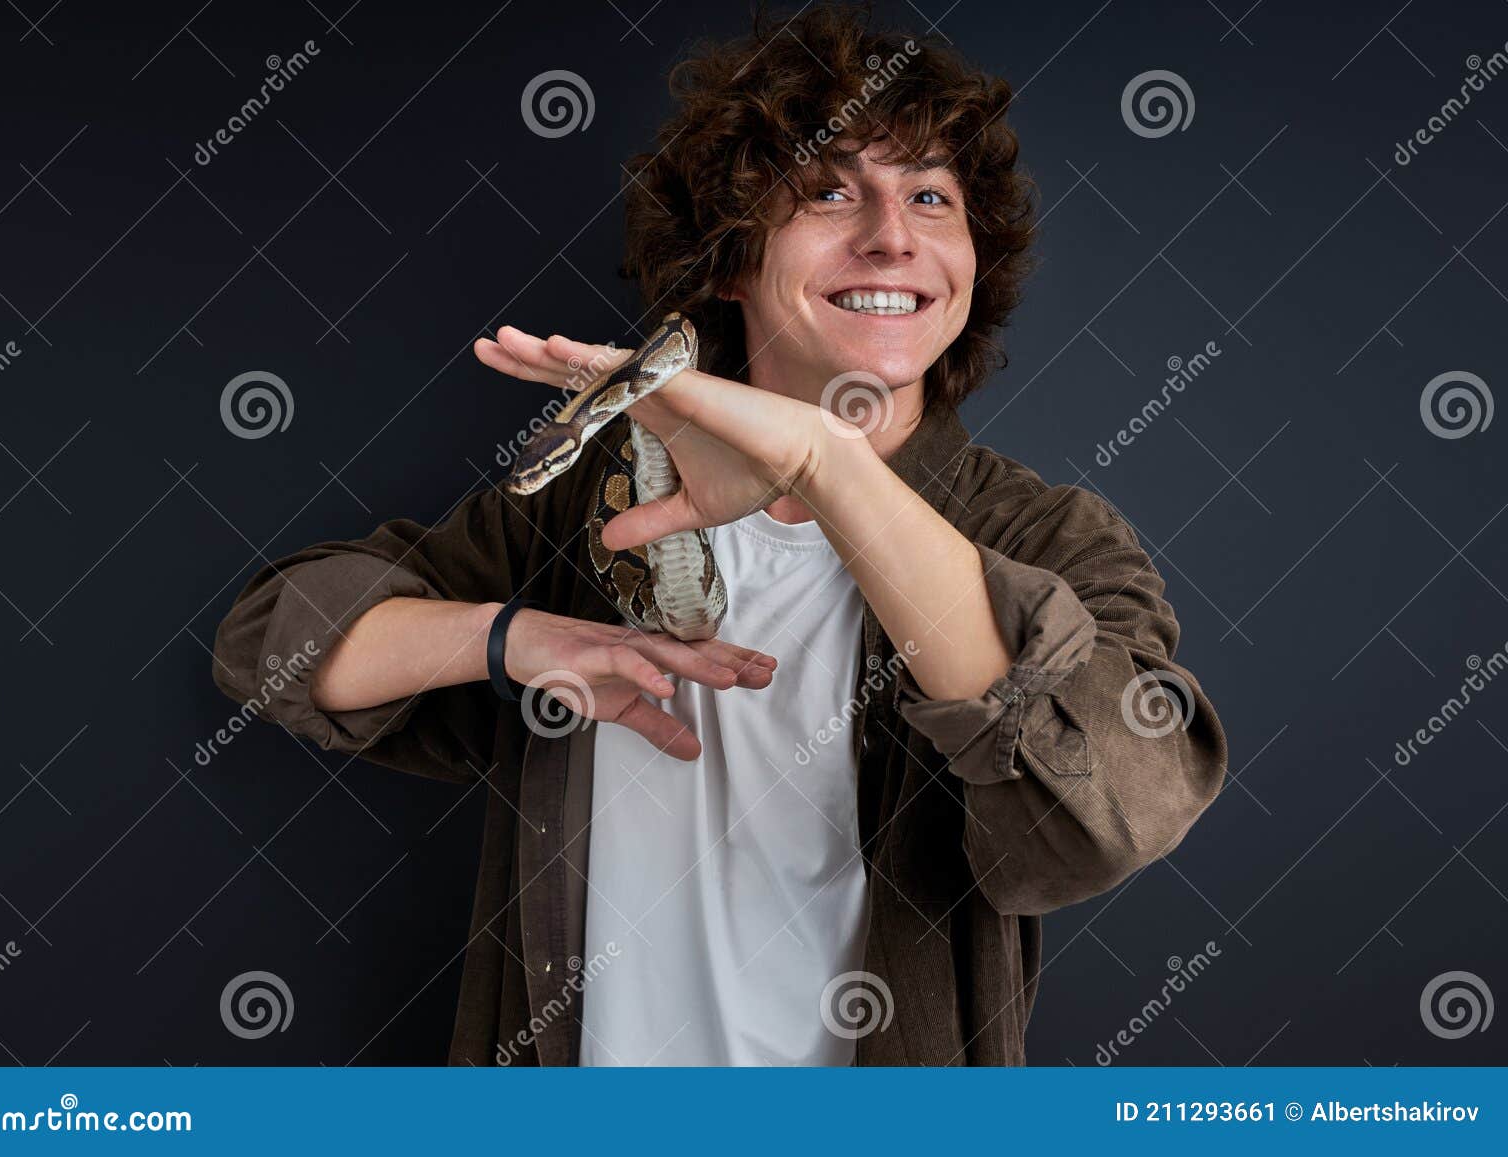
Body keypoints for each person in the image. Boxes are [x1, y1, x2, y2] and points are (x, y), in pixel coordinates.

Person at [212, 4, 1227, 1066]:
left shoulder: (1048, 534)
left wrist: (824, 464)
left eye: (931, 196)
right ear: (731, 259)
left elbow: (1121, 804)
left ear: (970, 265)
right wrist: (514, 637)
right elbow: (271, 645)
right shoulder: (587, 507)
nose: (892, 234)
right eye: (829, 189)